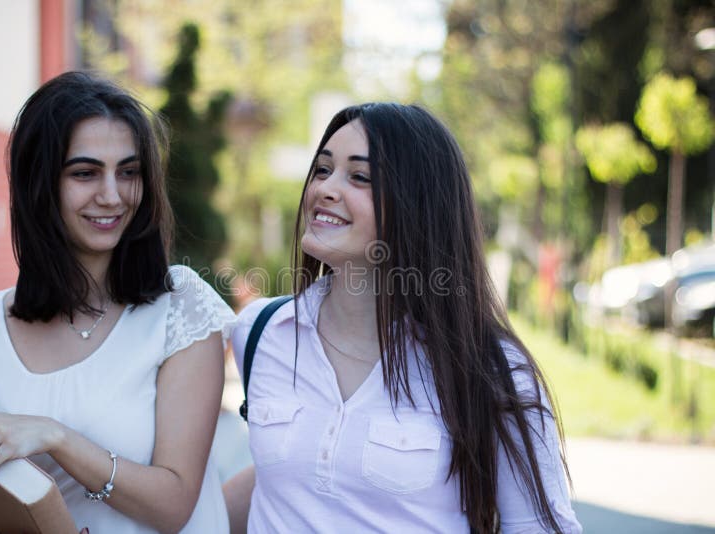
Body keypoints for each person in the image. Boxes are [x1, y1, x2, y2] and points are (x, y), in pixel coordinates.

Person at [225, 103, 582, 533]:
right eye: (322, 170)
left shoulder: (490, 370)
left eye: (359, 177)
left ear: (417, 206)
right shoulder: (261, 333)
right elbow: (286, 482)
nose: (325, 189)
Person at [0, 71, 236, 533]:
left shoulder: (181, 309)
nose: (112, 196)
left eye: (129, 172)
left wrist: (57, 438)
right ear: (40, 182)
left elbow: (173, 504)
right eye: (85, 172)